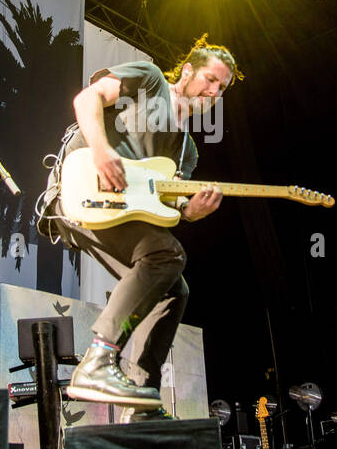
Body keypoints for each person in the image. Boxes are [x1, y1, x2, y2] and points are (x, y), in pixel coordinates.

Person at [37, 35, 238, 419]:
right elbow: (87, 98)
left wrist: (191, 211)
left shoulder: (187, 150)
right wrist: (101, 151)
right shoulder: (149, 80)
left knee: (175, 289)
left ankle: (141, 396)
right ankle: (98, 361)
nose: (214, 92)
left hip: (120, 213)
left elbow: (165, 206)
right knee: (168, 254)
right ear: (188, 71)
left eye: (222, 88)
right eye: (210, 79)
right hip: (79, 190)